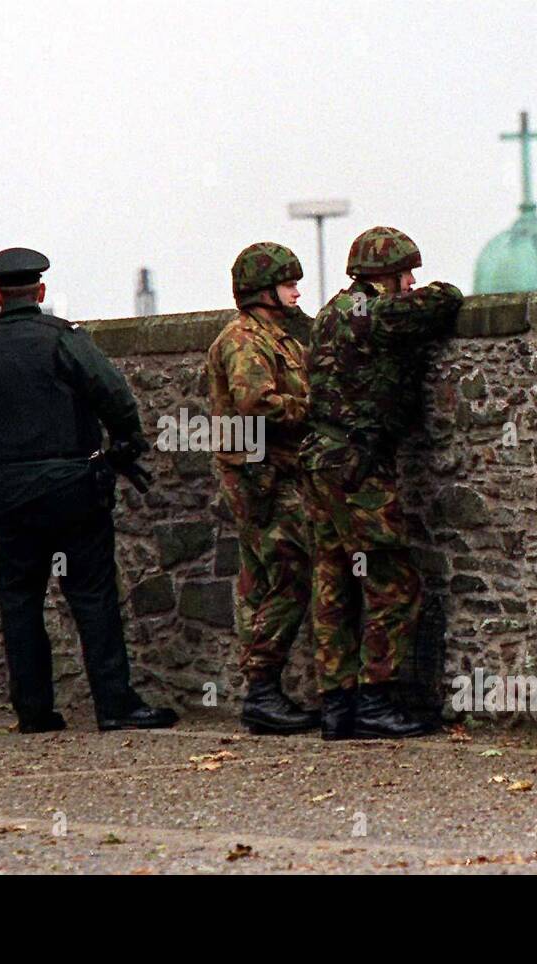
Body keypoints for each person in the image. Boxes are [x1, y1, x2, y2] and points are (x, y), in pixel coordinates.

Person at [0, 247, 178, 733]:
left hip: (8, 494)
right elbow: (113, 392)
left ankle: (33, 710)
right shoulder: (63, 339)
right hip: (73, 486)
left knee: (19, 599)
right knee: (92, 595)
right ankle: (115, 706)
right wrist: (126, 442)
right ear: (41, 292)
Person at [300, 227, 463, 740]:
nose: (410, 282)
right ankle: (377, 698)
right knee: (394, 582)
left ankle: (337, 705)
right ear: (383, 276)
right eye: (404, 274)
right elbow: (443, 303)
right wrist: (439, 289)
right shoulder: (375, 313)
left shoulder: (331, 313)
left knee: (334, 581)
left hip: (321, 459)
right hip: (355, 464)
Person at [207, 242, 319, 734]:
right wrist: (316, 406)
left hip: (274, 471)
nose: (297, 290)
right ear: (263, 291)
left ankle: (264, 691)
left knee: (269, 577)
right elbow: (256, 403)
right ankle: (262, 691)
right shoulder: (246, 339)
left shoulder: (280, 335)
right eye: (288, 283)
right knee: (288, 575)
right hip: (262, 475)